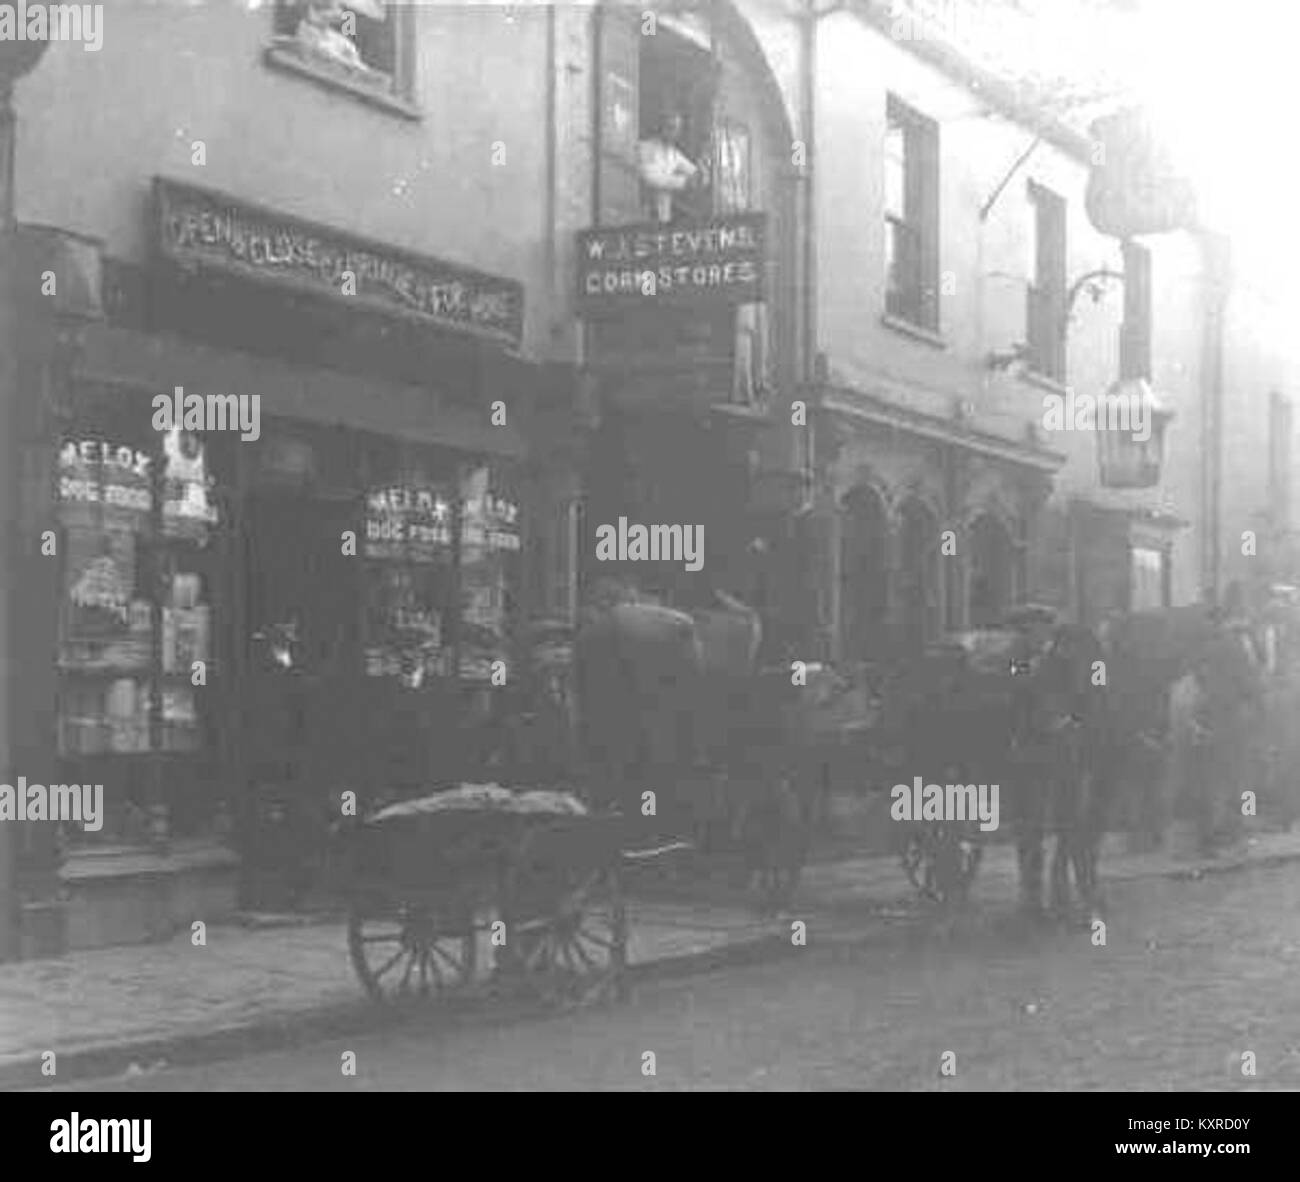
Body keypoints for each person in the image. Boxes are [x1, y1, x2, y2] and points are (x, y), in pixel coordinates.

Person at [637, 111, 700, 223]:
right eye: (671, 127)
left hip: (663, 215)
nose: (675, 132)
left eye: (677, 129)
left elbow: (693, 171)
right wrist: (685, 182)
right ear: (661, 127)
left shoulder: (673, 153)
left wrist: (701, 172)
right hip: (642, 216)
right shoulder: (645, 148)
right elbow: (651, 178)